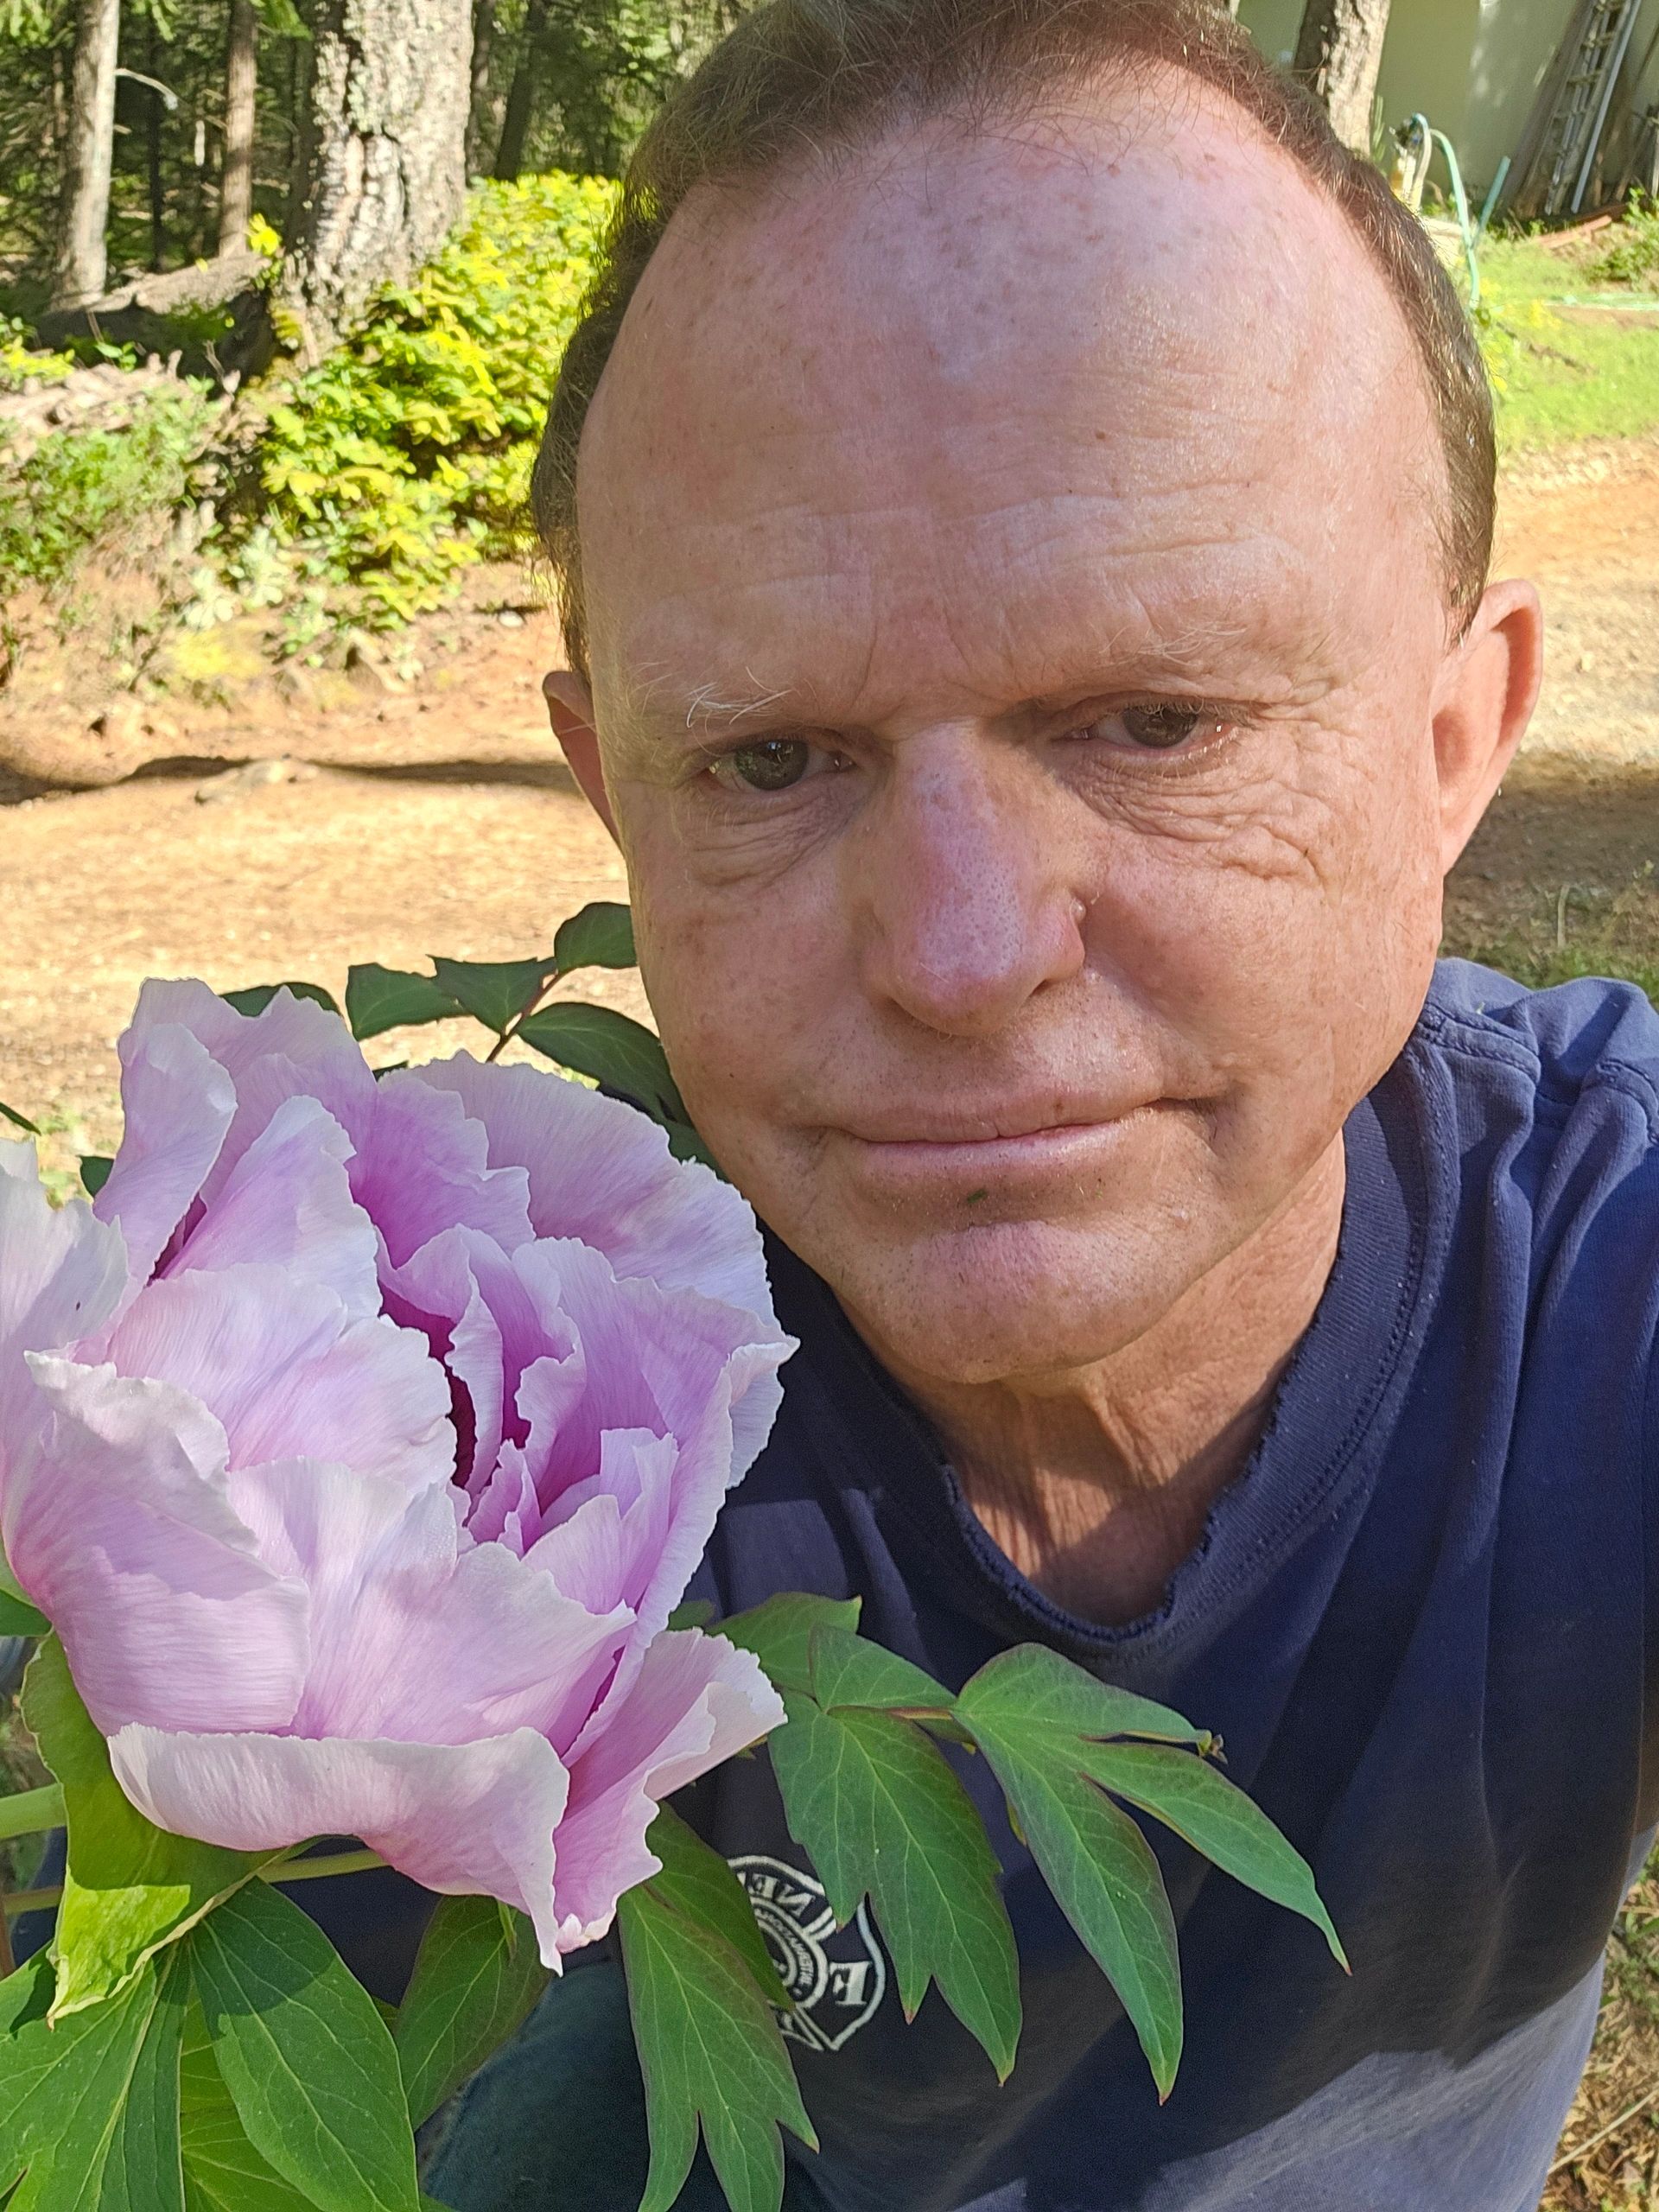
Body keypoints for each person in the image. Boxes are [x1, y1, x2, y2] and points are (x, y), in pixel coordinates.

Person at [419, 3, 1659, 2206]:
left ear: (1455, 748)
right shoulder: (426, 1409)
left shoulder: (1603, 1286)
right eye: (772, 761)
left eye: (1153, 721)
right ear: (617, 792)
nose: (964, 950)